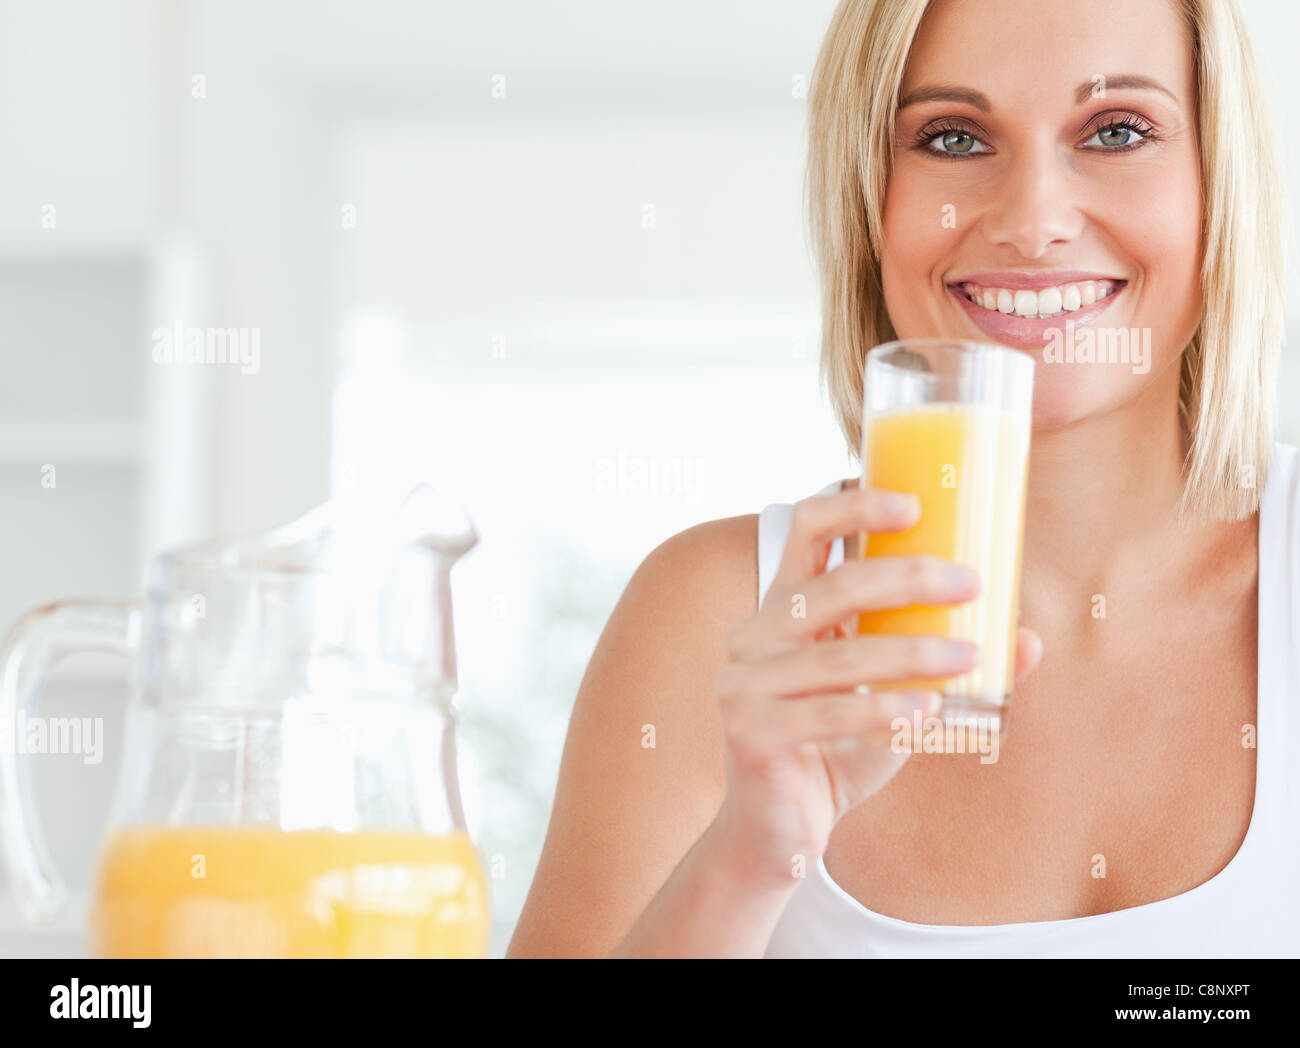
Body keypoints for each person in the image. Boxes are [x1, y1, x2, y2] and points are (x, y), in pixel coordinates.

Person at [508, 0, 1297, 958]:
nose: (1032, 221)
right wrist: (753, 856)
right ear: (870, 198)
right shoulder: (716, 617)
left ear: (1222, 180)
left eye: (1117, 130)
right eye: (954, 137)